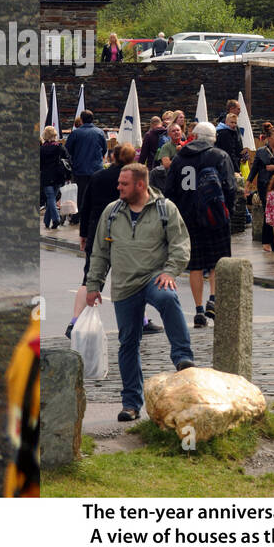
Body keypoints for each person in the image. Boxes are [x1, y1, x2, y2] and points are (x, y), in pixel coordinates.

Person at [83, 164, 194, 423]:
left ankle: (183, 357)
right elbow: (99, 253)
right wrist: (93, 285)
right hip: (124, 285)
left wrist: (170, 271)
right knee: (128, 343)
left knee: (168, 297)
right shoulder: (111, 213)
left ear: (141, 185)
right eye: (119, 183)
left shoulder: (165, 209)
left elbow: (180, 244)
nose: (118, 187)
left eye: (124, 184)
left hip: (153, 276)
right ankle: (131, 404)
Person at [68, 143, 164, 337]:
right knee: (134, 278)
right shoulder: (135, 180)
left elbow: (86, 206)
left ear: (112, 157)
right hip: (125, 232)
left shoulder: (97, 176)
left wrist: (84, 233)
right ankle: (142, 321)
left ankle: (75, 322)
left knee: (90, 277)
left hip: (98, 230)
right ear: (131, 159)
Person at [164, 121, 237, 327]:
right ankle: (213, 299)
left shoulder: (179, 158)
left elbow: (170, 191)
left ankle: (198, 311)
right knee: (217, 263)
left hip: (188, 219)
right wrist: (227, 212)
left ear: (194, 137)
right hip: (215, 217)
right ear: (212, 139)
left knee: (195, 265)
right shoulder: (219, 156)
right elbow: (230, 187)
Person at [249, 128, 274, 251]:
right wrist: (247, 184)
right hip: (265, 186)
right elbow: (254, 169)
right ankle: (268, 242)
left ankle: (273, 243)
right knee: (268, 211)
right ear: (269, 138)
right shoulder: (261, 151)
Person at [65, 110, 106, 227]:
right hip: (96, 169)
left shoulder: (76, 133)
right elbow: (104, 149)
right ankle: (94, 217)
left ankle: (78, 217)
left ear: (81, 120)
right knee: (95, 193)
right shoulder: (99, 132)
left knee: (80, 194)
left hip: (80, 168)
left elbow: (67, 150)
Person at [39, 126, 70, 231]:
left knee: (50, 198)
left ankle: (56, 218)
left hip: (46, 176)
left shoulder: (42, 149)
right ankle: (46, 221)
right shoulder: (59, 147)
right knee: (52, 198)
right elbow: (67, 158)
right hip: (58, 176)